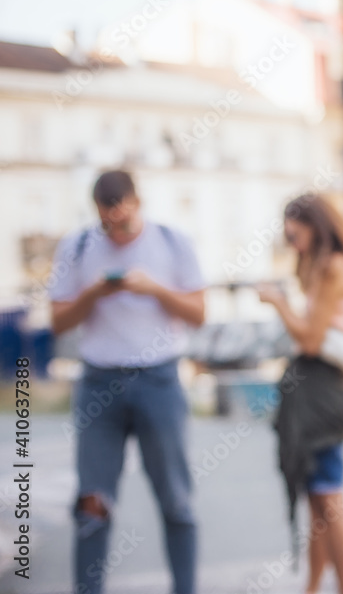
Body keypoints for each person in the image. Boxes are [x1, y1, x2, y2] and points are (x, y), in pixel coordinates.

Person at [50, 169, 205, 594]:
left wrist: (155, 289)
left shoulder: (172, 242)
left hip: (160, 378)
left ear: (139, 204)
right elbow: (58, 321)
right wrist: (94, 294)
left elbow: (198, 313)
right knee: (92, 503)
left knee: (176, 500)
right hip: (99, 382)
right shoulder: (78, 246)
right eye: (107, 223)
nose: (116, 232)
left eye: (124, 222)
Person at [257, 194, 343, 594]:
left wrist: (279, 303)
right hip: (320, 387)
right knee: (318, 506)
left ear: (315, 225)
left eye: (295, 231)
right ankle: (313, 588)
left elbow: (311, 340)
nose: (291, 240)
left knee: (330, 501)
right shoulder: (325, 264)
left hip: (324, 391)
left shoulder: (333, 266)